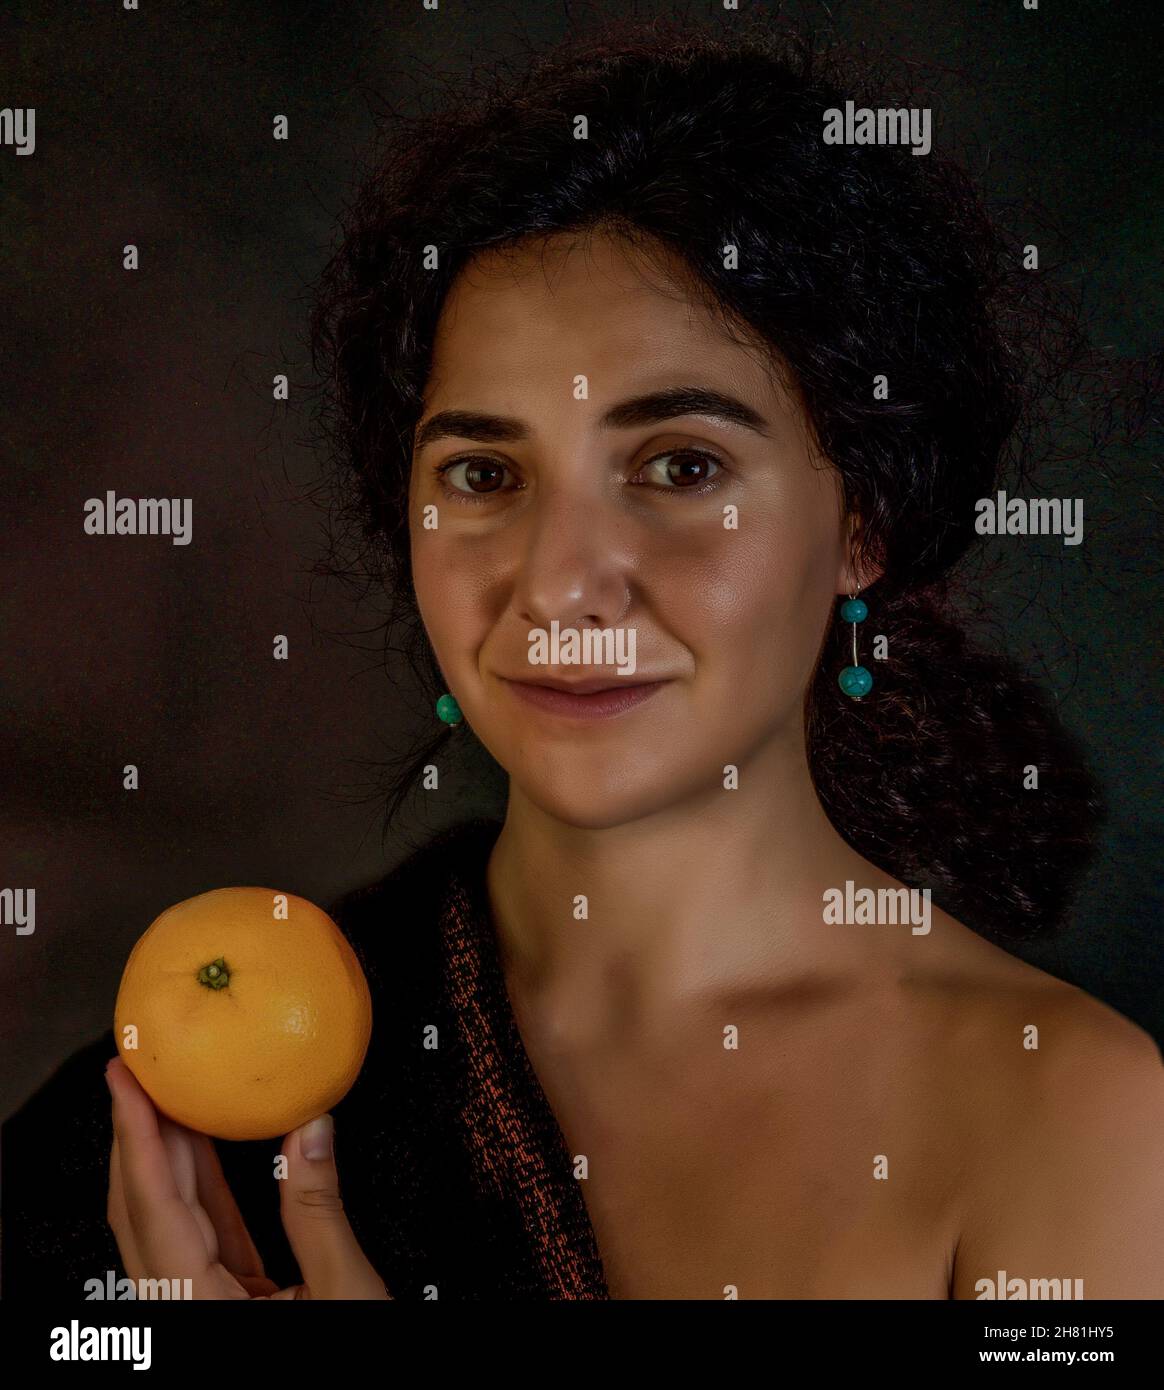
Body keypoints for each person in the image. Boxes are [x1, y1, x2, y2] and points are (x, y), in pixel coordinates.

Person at [5, 16, 1162, 1300]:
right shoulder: (193, 1090)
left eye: (681, 467)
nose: (559, 581)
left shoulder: (1073, 1115)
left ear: (862, 522)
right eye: (485, 475)